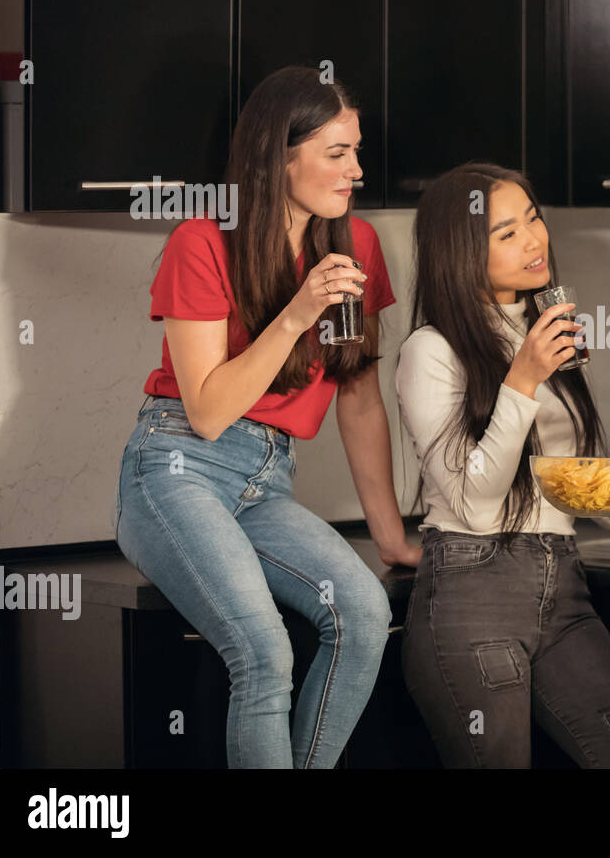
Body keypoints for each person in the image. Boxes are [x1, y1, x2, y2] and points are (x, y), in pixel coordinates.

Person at [114, 66, 418, 769]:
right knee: (262, 649)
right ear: (277, 155)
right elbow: (210, 410)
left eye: (357, 151)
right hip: (176, 467)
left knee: (366, 615)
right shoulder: (204, 240)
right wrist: (298, 311)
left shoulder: (355, 245)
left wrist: (391, 536)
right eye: (336, 153)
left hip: (266, 481)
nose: (357, 170)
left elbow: (360, 397)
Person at [395, 162, 610, 768]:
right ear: (460, 251)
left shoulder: (548, 332)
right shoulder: (431, 350)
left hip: (563, 588)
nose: (533, 240)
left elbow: (574, 478)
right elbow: (475, 503)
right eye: (506, 233)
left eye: (533, 219)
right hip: (473, 590)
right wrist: (520, 381)